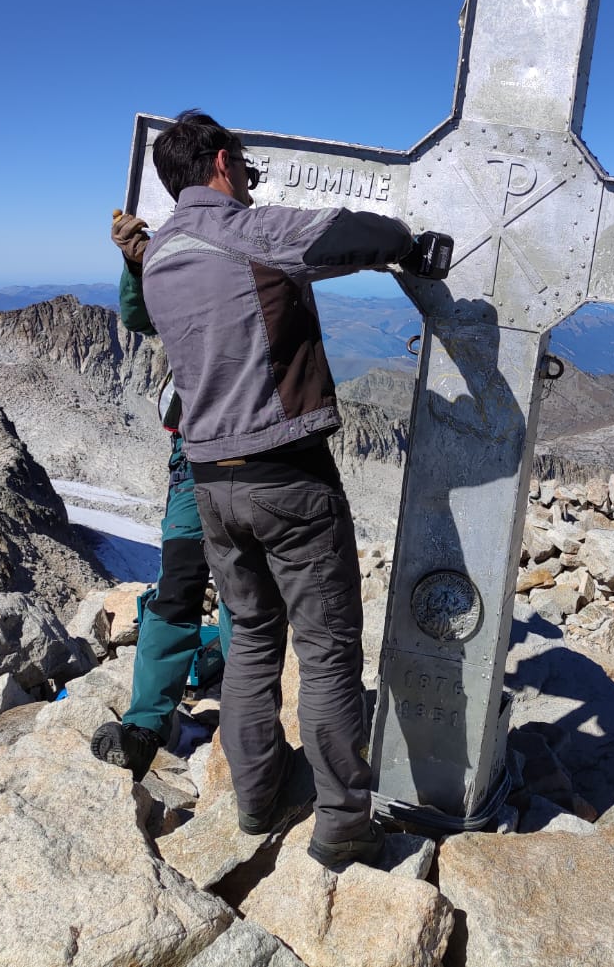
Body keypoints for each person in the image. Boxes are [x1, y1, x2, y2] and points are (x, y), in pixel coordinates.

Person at [138, 109, 446, 869]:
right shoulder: (242, 230)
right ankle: (344, 823)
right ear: (219, 161)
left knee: (251, 639)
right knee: (328, 650)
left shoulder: (159, 255)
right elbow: (343, 233)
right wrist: (408, 245)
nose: (249, 178)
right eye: (243, 165)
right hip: (287, 472)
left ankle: (258, 799)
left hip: (209, 481)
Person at [89, 211, 232, 782]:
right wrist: (135, 265)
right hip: (196, 452)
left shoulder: (258, 238)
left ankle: (246, 716)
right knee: (180, 583)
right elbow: (139, 314)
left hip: (255, 446)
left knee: (243, 584)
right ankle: (146, 724)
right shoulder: (192, 247)